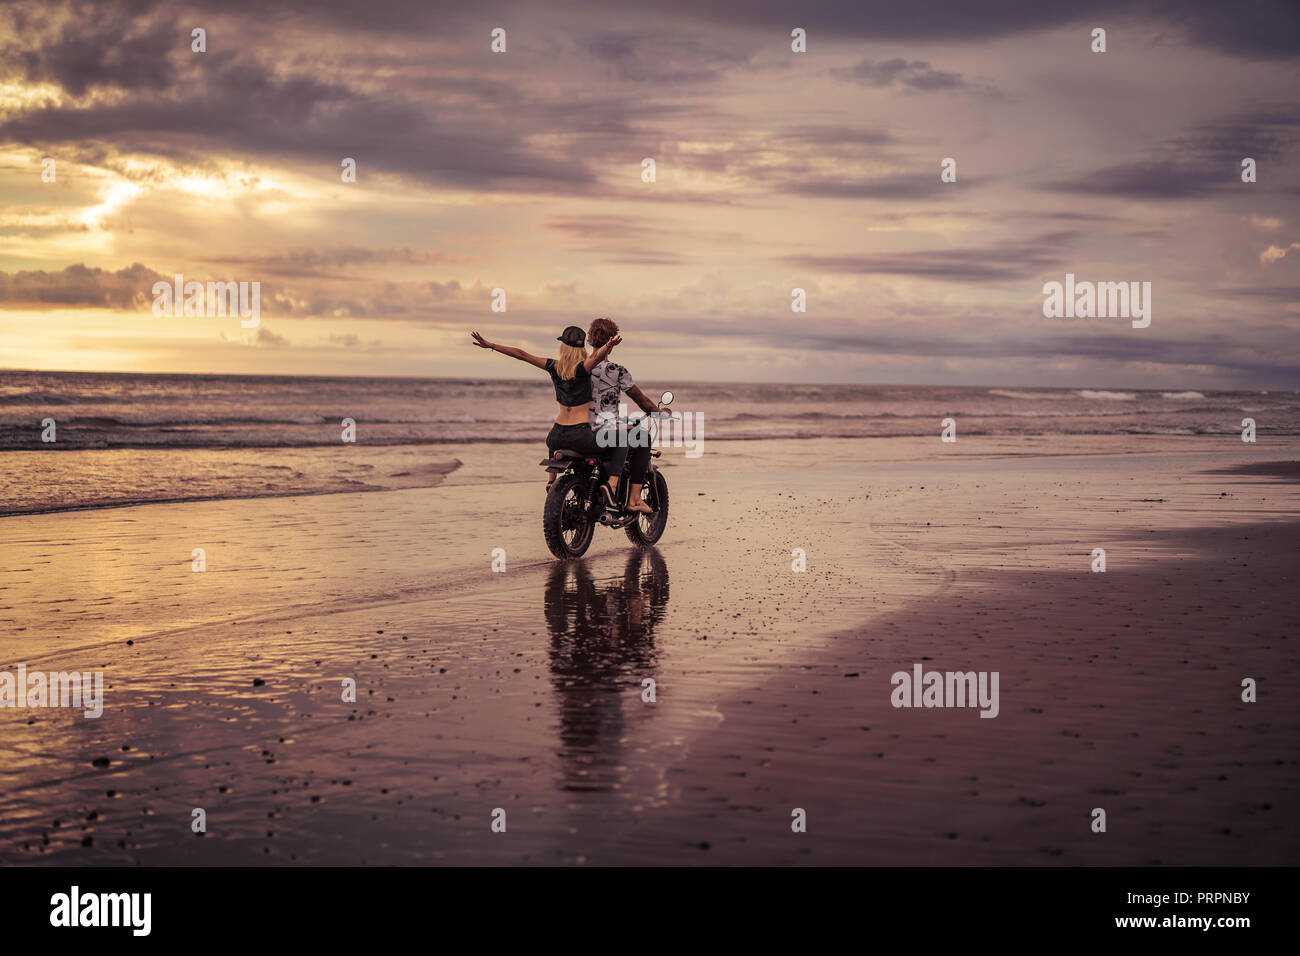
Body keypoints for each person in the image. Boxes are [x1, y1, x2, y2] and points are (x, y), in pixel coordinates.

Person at [469, 325, 627, 510]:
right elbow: (597, 357)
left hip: (556, 436)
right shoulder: (583, 368)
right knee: (622, 437)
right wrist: (608, 346)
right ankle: (612, 484)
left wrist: (491, 345)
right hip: (580, 436)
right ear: (582, 348)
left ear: (562, 347)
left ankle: (551, 481)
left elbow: (522, 354)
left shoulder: (554, 366)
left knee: (556, 445)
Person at [586, 317, 662, 516]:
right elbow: (640, 399)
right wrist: (658, 413)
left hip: (580, 429)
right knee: (643, 437)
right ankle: (634, 499)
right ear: (611, 344)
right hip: (605, 429)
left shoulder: (579, 367)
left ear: (589, 339)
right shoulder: (616, 371)